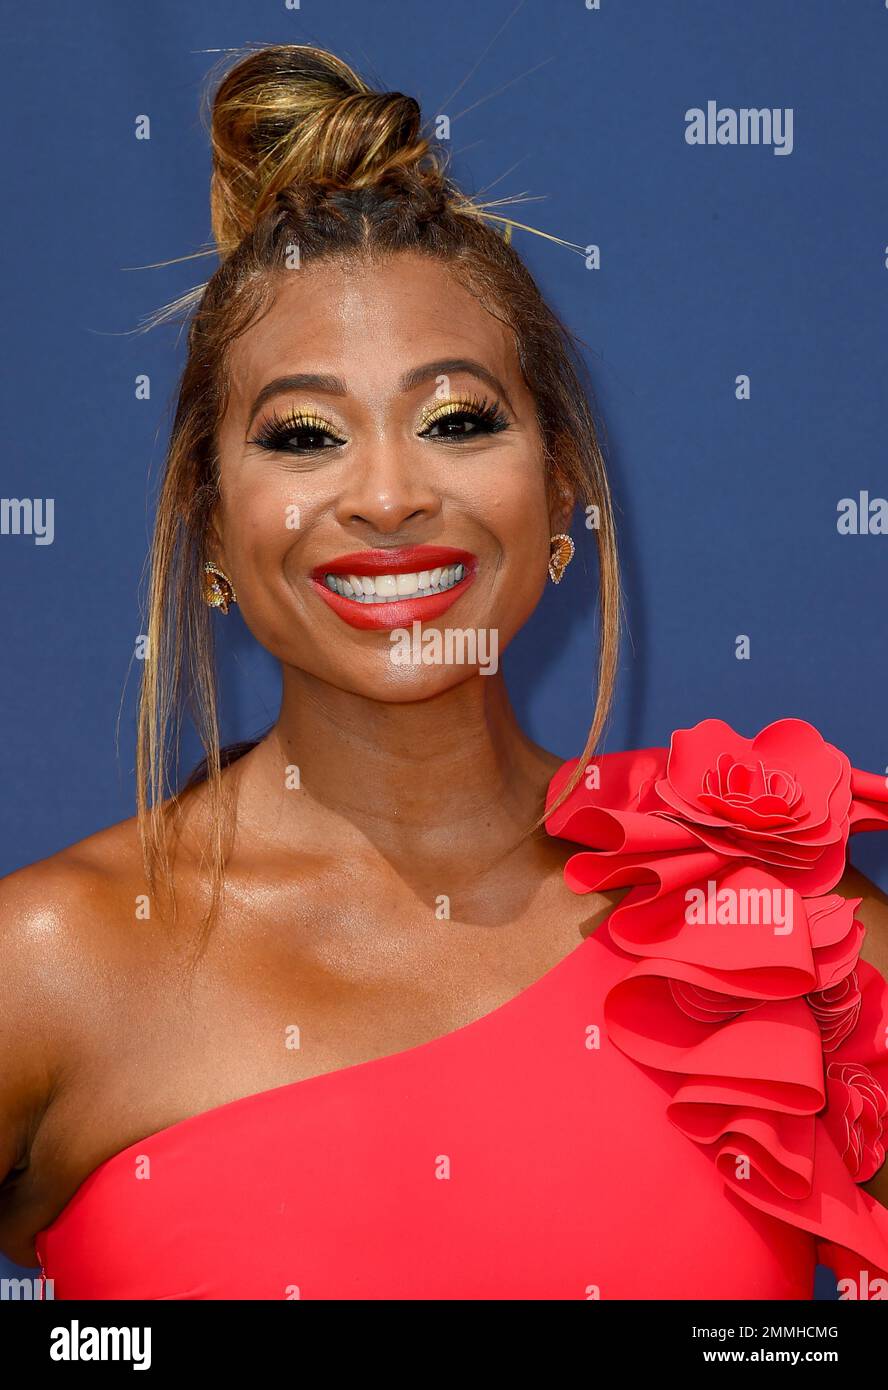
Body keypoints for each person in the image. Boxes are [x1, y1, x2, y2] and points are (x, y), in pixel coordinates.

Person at [1, 44, 886, 1300]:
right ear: (208, 525)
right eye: (304, 434)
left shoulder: (771, 919)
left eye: (458, 418)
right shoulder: (43, 966)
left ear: (562, 479)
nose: (389, 493)